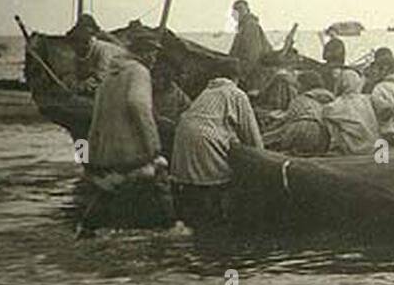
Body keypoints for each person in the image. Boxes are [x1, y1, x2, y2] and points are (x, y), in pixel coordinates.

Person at [82, 33, 173, 228]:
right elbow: (138, 104)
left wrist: (91, 155)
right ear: (142, 53)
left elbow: (96, 114)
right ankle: (170, 233)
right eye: (151, 53)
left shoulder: (109, 76)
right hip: (132, 151)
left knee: (109, 194)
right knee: (159, 190)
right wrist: (154, 147)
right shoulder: (139, 72)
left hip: (107, 152)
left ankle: (88, 230)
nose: (153, 58)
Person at [171, 63, 264, 226]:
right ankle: (216, 223)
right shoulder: (236, 93)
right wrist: (263, 161)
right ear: (237, 78)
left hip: (183, 137)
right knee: (218, 183)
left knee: (193, 187)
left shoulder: (206, 93)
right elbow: (251, 135)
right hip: (205, 139)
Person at [322, 71, 381, 155]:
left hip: (351, 148)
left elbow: (326, 114)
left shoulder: (334, 106)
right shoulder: (368, 100)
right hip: (373, 145)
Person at [228, 0, 273, 86]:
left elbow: (252, 55)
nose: (238, 12)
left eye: (240, 9)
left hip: (253, 76)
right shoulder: (243, 27)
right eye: (236, 10)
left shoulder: (250, 26)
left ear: (247, 11)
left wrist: (240, 76)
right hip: (249, 71)